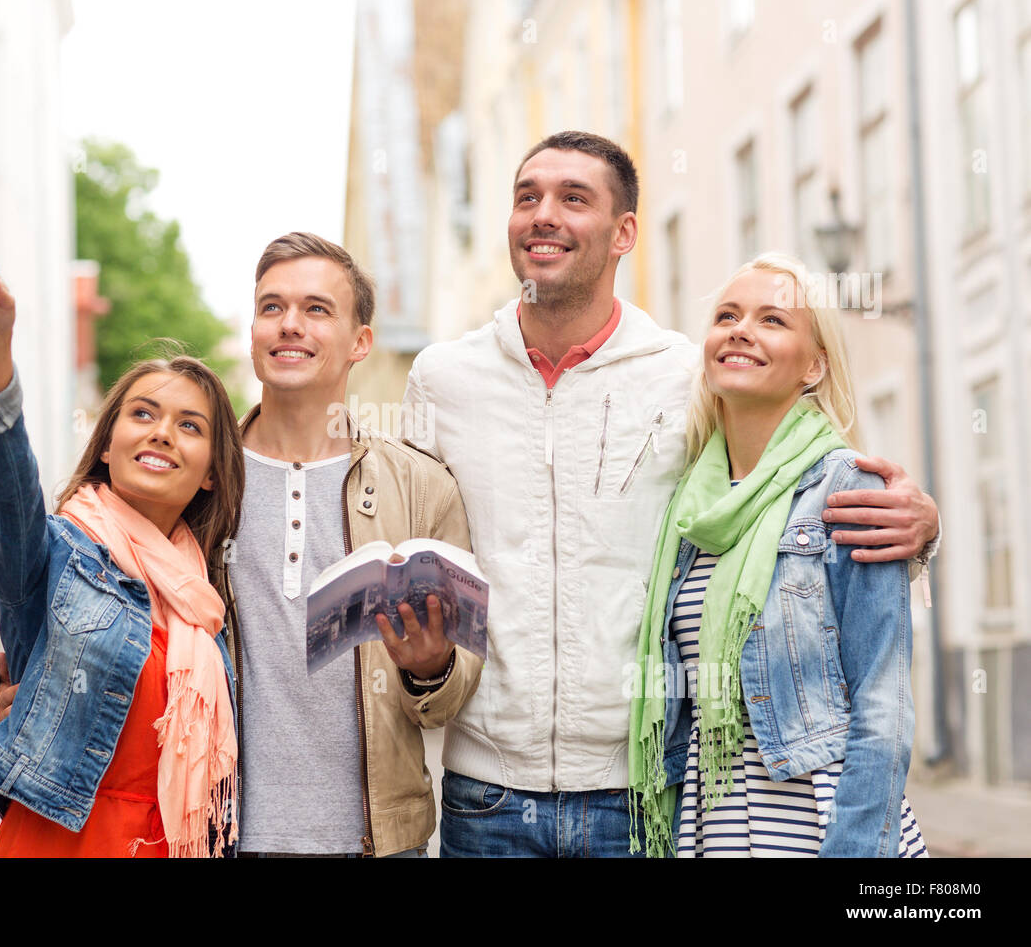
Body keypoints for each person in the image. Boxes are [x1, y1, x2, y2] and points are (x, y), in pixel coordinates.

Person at [399, 131, 940, 857]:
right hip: (487, 794)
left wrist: (924, 530)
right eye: (527, 196)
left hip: (645, 794)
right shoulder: (442, 380)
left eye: (573, 198)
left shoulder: (690, 376)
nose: (543, 215)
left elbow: (783, 483)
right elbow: (414, 550)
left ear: (624, 233)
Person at [0, 231, 483, 857]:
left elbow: (454, 691)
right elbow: (82, 585)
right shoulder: (194, 481)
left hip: (379, 845)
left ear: (360, 341)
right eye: (271, 307)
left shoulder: (420, 487)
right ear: (252, 331)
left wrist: (428, 666)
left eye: (316, 309)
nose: (290, 326)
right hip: (214, 838)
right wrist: (37, 686)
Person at [0, 225, 244, 858]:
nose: (163, 432)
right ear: (107, 446)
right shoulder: (53, 555)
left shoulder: (210, 596)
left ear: (213, 470)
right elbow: (7, 488)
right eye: (142, 414)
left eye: (189, 426)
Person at [628, 253, 927, 858]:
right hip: (713, 824)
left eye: (772, 320)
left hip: (822, 825)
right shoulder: (689, 507)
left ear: (814, 366)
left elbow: (882, 702)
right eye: (727, 315)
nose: (740, 329)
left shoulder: (848, 488)